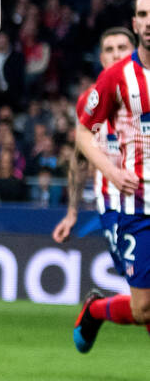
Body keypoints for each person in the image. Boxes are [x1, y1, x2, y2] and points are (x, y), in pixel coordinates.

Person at [73, 0, 150, 349]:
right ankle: (97, 310)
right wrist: (74, 208)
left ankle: (98, 310)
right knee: (144, 306)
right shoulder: (110, 84)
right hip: (124, 205)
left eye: (122, 48)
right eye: (144, 14)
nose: (116, 53)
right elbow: (81, 143)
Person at [52, 27, 134, 256]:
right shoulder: (89, 102)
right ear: (101, 58)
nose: (116, 55)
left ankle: (102, 296)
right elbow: (79, 159)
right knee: (137, 281)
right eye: (109, 50)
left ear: (135, 52)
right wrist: (72, 214)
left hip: (145, 199)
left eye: (122, 48)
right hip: (113, 207)